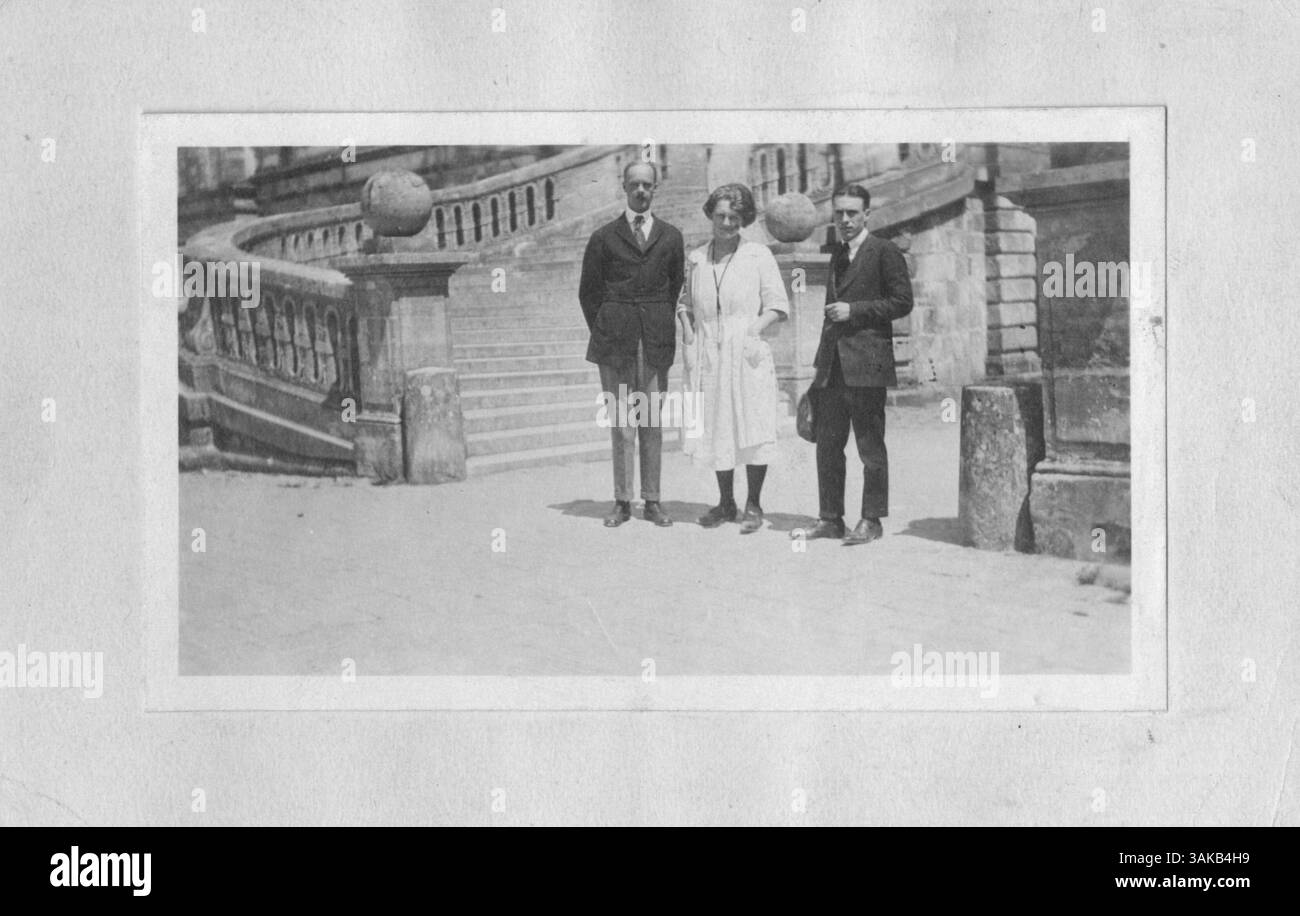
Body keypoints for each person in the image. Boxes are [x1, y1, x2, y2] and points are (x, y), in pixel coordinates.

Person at [794, 184, 914, 545]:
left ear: (866, 214)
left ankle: (872, 519)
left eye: (852, 213)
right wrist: (819, 368)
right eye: (839, 213)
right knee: (827, 446)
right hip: (833, 367)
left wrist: (856, 311)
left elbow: (902, 302)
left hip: (867, 364)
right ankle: (831, 518)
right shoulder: (837, 254)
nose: (844, 220)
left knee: (869, 445)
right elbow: (830, 316)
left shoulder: (884, 251)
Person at [579, 161, 685, 528]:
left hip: (654, 340)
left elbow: (674, 289)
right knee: (622, 423)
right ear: (623, 187)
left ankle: (652, 500)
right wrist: (609, 327)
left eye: (648, 185)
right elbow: (588, 293)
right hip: (615, 342)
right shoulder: (603, 237)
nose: (641, 191)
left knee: (652, 421)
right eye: (635, 184)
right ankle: (622, 501)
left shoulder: (671, 237)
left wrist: (654, 321)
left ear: (656, 189)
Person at [678, 183, 789, 534]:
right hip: (709, 348)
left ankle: (753, 503)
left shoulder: (758, 255)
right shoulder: (696, 258)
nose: (727, 223)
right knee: (715, 424)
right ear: (711, 214)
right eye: (721, 215)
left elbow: (777, 306)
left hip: (746, 349)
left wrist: (754, 331)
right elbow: (684, 302)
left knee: (752, 422)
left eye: (735, 217)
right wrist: (688, 329)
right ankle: (725, 502)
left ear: (744, 220)